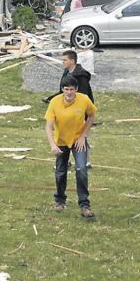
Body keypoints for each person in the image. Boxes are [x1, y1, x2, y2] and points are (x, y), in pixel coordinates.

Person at [45, 76, 97, 219]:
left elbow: (92, 116)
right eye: (66, 89)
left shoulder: (84, 99)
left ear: (76, 90)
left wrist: (83, 136)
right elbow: (49, 126)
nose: (69, 93)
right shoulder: (55, 102)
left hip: (78, 140)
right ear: (62, 90)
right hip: (61, 141)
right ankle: (60, 201)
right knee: (61, 172)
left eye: (72, 90)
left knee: (81, 169)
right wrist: (52, 145)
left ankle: (84, 205)